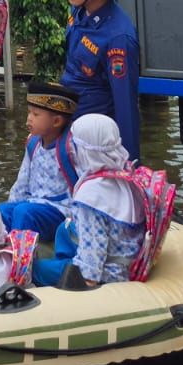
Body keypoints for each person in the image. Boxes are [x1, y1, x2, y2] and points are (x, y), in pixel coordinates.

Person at [34, 114, 146, 290]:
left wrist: (84, 282)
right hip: (127, 253)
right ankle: (63, 261)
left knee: (37, 268)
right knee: (64, 230)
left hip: (110, 273)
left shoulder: (92, 195)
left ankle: (58, 274)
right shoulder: (127, 174)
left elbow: (93, 258)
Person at [54, 0, 141, 162]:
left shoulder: (118, 38)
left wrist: (129, 167)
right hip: (68, 129)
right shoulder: (79, 10)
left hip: (93, 146)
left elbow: (126, 108)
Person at [0, 79, 80, 239]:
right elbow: (22, 181)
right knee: (1, 211)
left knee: (24, 212)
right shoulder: (33, 142)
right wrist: (11, 205)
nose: (29, 118)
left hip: (61, 211)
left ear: (56, 121)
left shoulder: (71, 146)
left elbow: (85, 184)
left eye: (35, 114)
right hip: (33, 205)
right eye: (29, 112)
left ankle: (19, 258)